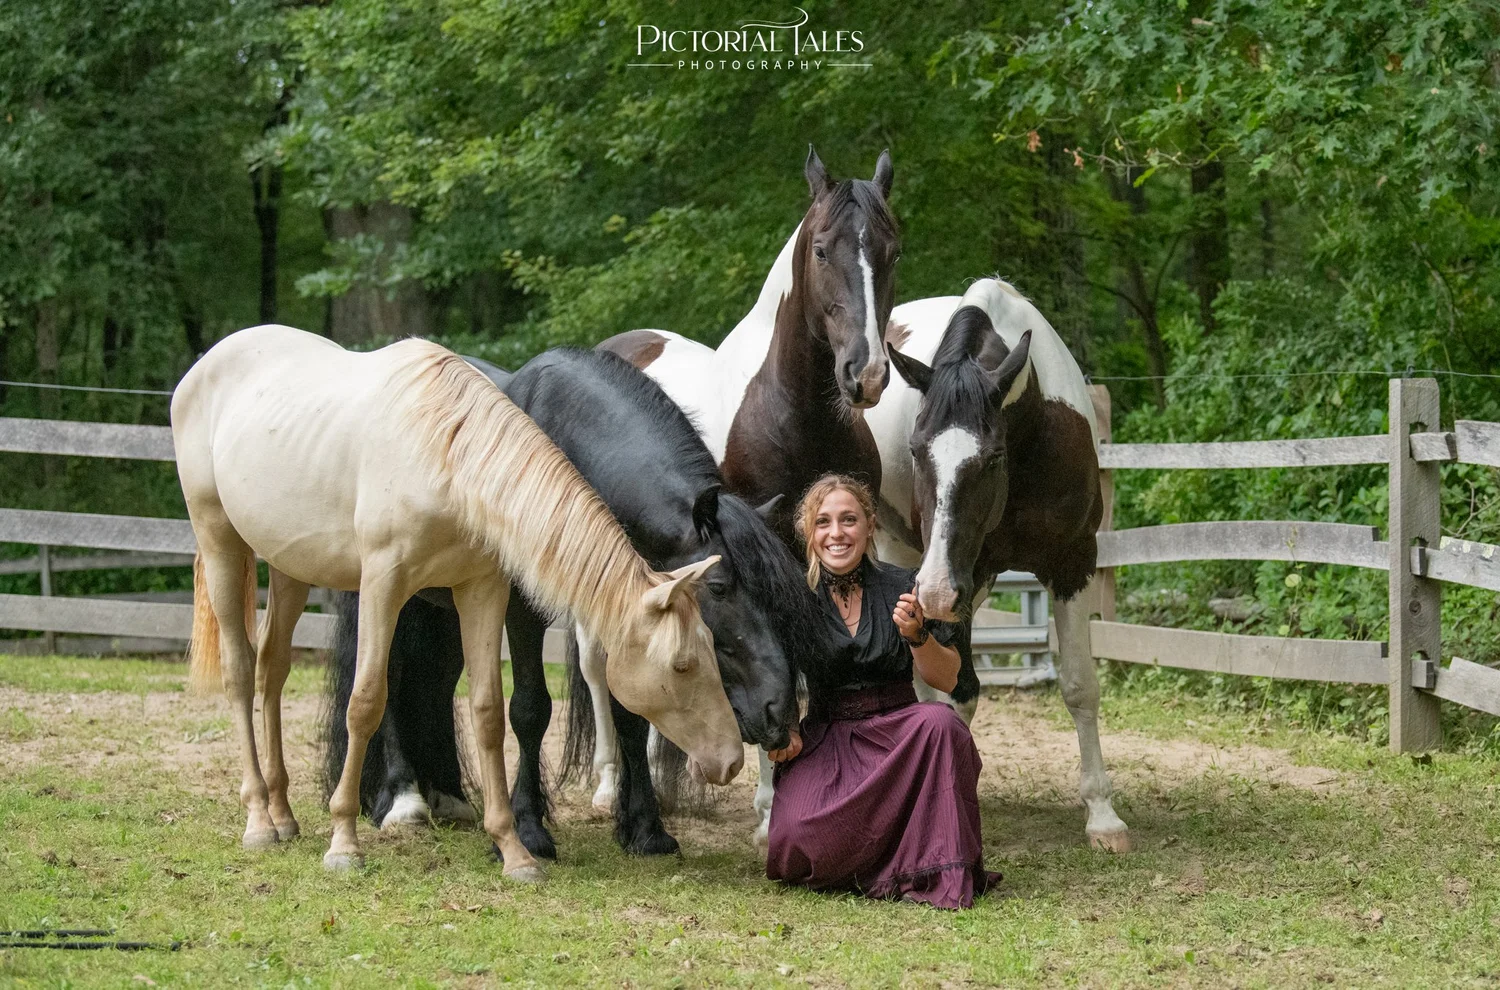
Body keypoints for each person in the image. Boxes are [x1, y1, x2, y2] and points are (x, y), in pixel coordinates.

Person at [764, 474, 1000, 910]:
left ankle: (928, 864)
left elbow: (948, 679)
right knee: (793, 842)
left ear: (870, 526)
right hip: (828, 737)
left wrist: (917, 636)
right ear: (808, 532)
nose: (837, 533)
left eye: (849, 520)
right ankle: (889, 858)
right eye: (824, 523)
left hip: (898, 734)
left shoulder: (904, 585)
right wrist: (780, 730)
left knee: (942, 723)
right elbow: (766, 672)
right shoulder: (793, 597)